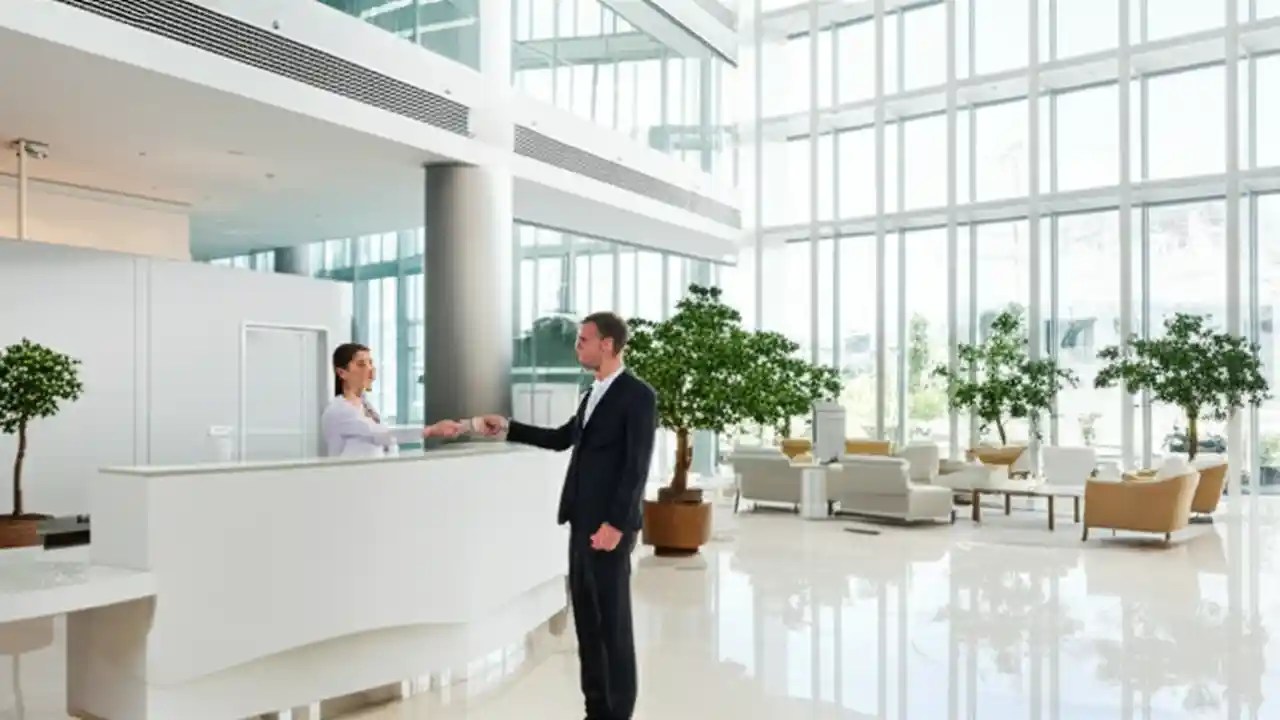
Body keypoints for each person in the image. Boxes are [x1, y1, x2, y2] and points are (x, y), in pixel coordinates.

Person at [477, 311, 657, 720]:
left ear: (607, 344)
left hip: (608, 528)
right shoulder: (591, 393)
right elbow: (563, 439)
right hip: (580, 523)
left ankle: (618, 713)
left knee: (613, 627)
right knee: (588, 626)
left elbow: (637, 466)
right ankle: (595, 709)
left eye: (582, 340)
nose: (578, 347)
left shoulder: (637, 395)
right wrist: (508, 427)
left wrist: (617, 524)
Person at [322, 342, 461, 457]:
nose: (371, 369)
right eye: (361, 364)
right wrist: (430, 431)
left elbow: (387, 442)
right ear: (342, 372)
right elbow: (381, 435)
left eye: (371, 363)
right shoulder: (339, 410)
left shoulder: (367, 406)